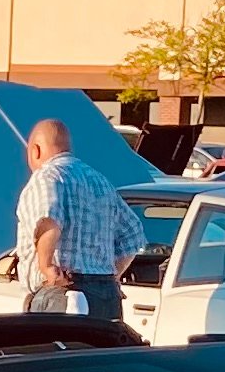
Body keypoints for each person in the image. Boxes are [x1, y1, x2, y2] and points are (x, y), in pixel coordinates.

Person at [16, 117, 136, 321]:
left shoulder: (47, 177)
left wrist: (46, 266)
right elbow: (132, 235)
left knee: (56, 351)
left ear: (35, 150)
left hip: (63, 293)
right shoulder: (100, 181)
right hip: (106, 297)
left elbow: (49, 220)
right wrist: (111, 275)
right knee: (97, 353)